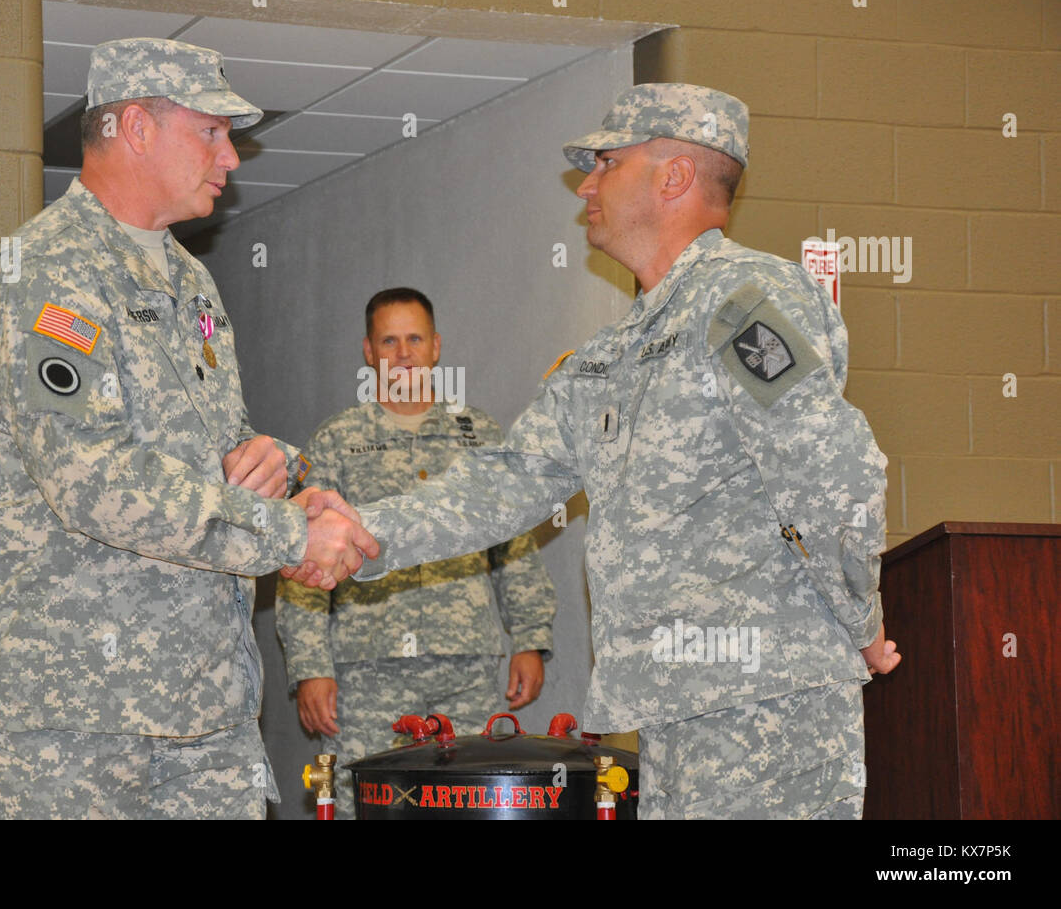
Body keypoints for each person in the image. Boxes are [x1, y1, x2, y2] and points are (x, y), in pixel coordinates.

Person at [285, 83, 901, 819]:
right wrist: (361, 531)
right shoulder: (611, 355)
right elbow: (505, 483)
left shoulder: (741, 301)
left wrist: (859, 617)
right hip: (669, 709)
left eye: (607, 163)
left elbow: (830, 473)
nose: (585, 185)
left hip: (768, 698)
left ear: (674, 176)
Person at [0, 38, 376, 820]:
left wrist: (276, 466)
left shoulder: (191, 280)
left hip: (205, 716)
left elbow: (216, 454)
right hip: (74, 729)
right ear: (137, 128)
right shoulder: (47, 272)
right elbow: (95, 482)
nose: (232, 157)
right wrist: (288, 534)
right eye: (211, 131)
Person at [276, 288, 558, 818]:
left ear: (436, 346)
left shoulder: (477, 434)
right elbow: (305, 560)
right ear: (368, 351)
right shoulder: (337, 440)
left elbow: (513, 542)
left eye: (414, 339)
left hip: (465, 664)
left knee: (470, 805)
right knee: (365, 804)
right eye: (389, 341)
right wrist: (311, 666)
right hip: (368, 668)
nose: (403, 353)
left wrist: (530, 637)